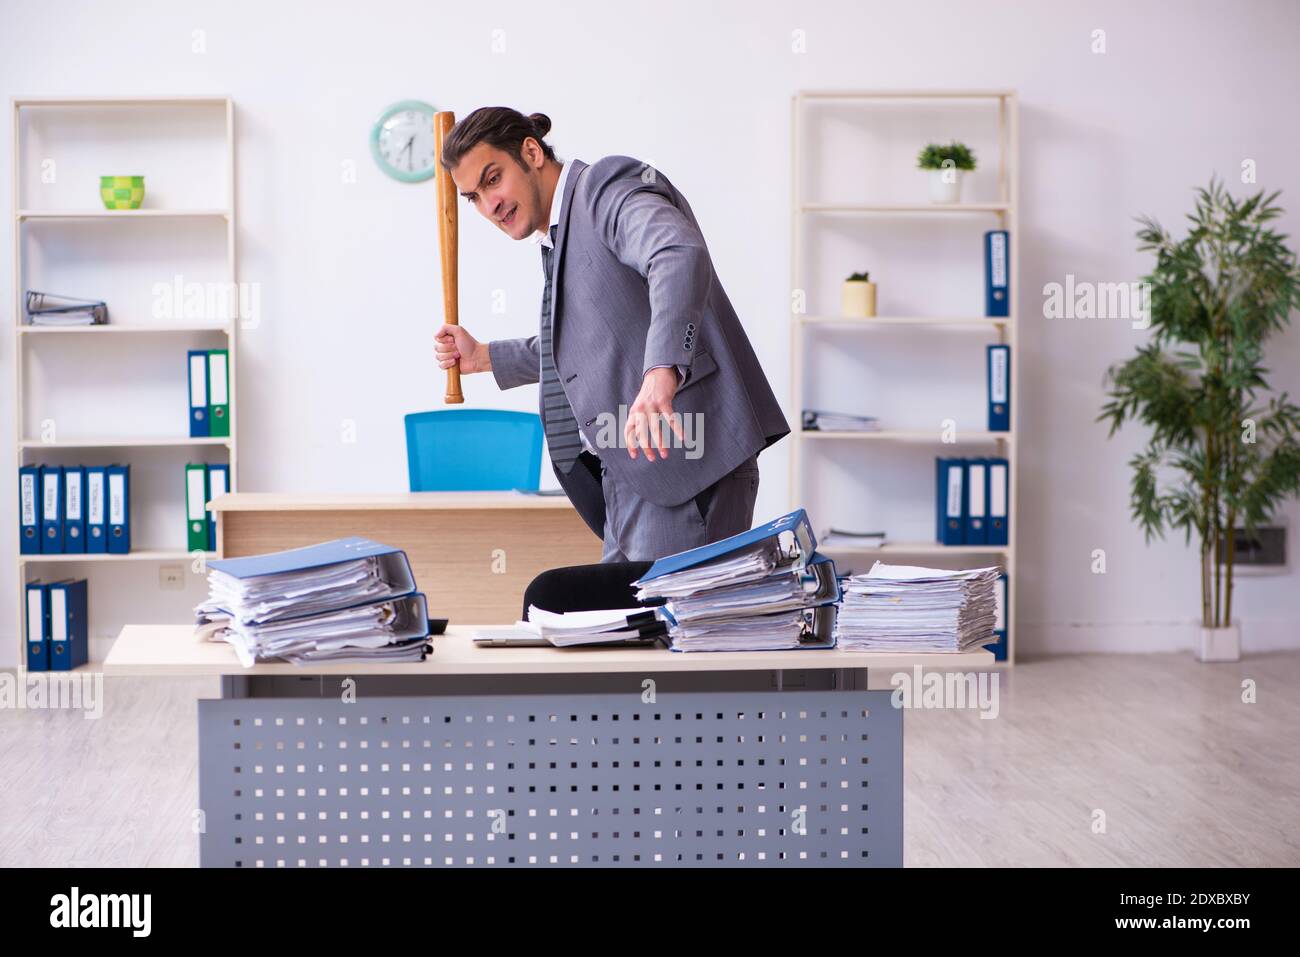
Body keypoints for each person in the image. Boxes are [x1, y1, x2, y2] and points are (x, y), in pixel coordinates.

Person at [436, 107, 788, 562]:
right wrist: (485, 357)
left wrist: (662, 372)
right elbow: (593, 344)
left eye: (492, 179)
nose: (490, 205)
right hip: (626, 478)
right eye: (473, 198)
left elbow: (677, 254)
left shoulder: (604, 187)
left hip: (684, 466)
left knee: (670, 630)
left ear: (530, 151)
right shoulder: (558, 238)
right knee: (619, 630)